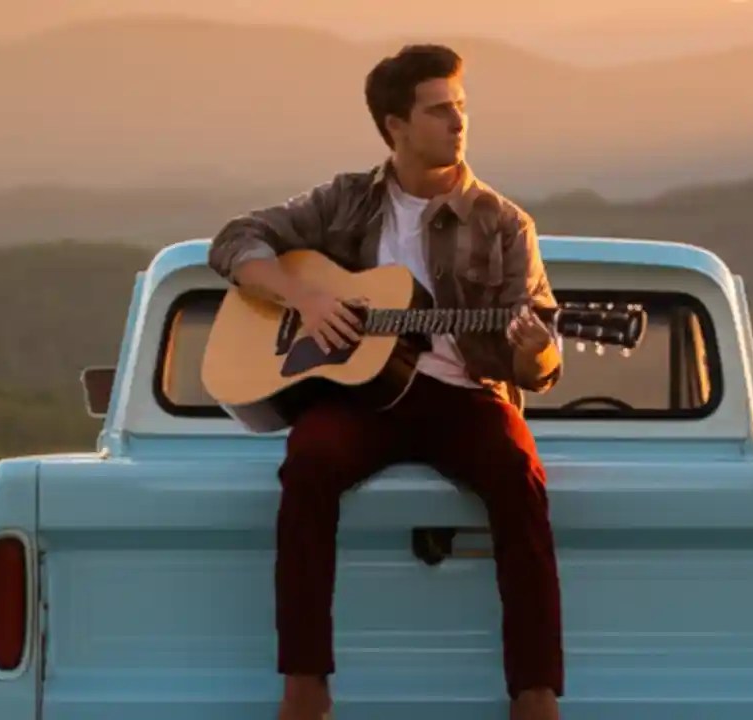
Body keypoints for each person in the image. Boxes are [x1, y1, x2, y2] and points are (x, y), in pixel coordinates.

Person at [208, 44, 564, 720]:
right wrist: (302, 298)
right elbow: (234, 239)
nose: (458, 123)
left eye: (461, 106)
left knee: (520, 472)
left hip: (464, 396)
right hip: (361, 397)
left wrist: (535, 349)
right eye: (439, 110)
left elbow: (537, 367)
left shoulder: (503, 223)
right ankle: (305, 686)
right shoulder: (344, 202)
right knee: (308, 463)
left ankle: (535, 691)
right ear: (395, 126)